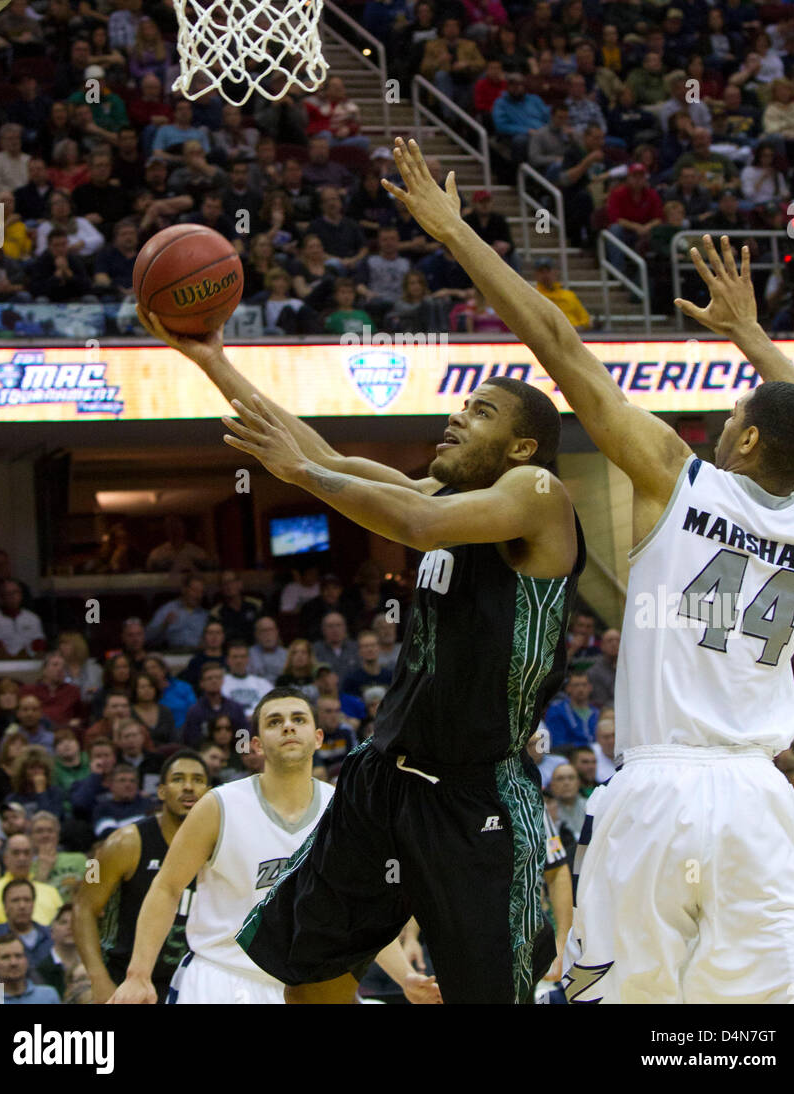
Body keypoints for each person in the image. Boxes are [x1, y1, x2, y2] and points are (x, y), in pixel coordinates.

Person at [387, 138, 794, 1003]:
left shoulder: (674, 474)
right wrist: (751, 340)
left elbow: (556, 341)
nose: (724, 417)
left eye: (733, 412)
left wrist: (456, 234)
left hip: (656, 790)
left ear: (739, 440)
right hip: (758, 800)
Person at [136, 290, 584, 1006]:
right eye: (459, 406)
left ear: (522, 445)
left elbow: (407, 519)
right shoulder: (437, 488)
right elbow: (320, 454)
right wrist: (213, 361)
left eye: (480, 412)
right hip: (383, 779)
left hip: (474, 794)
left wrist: (306, 475)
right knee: (304, 963)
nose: (456, 417)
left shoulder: (535, 492)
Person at [109, 691, 438, 1006]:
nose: (288, 726)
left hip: (302, 988)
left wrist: (406, 977)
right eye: (274, 721)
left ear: (319, 737)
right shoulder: (218, 805)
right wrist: (138, 974)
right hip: (218, 977)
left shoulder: (344, 810)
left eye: (298, 718)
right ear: (257, 744)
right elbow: (166, 888)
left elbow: (358, 914)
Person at [73, 751, 210, 1002]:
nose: (189, 787)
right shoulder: (123, 843)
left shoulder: (220, 846)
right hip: (126, 980)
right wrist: (98, 978)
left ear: (210, 792)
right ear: (161, 791)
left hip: (194, 983)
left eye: (198, 780)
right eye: (178, 779)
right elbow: (83, 907)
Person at [0, 832, 63, 927]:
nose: (22, 858)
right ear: (5, 858)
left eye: (26, 853)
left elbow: (60, 925)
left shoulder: (51, 892)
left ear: (32, 858)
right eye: (16, 853)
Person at [0, 877, 53, 976]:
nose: (22, 906)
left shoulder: (52, 936)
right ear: (5, 906)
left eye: (27, 900)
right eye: (15, 900)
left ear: (33, 904)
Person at [0, 933, 61, 1005]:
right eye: (5, 957)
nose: (13, 963)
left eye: (18, 956)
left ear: (26, 960)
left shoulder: (48, 996)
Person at [181, 663, 247, 747]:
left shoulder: (235, 708)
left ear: (223, 681)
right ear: (202, 683)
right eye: (209, 678)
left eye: (218, 677)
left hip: (233, 754)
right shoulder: (195, 711)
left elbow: (244, 736)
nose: (214, 681)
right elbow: (191, 740)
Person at [544, 671, 599, 750]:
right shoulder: (556, 711)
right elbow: (558, 743)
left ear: (590, 687)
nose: (581, 689)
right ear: (568, 688)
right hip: (568, 755)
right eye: (576, 685)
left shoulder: (597, 712)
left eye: (584, 685)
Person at [221, 640, 273, 720]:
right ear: (228, 660)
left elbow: (272, 708)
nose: (239, 661)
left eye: (242, 656)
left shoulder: (263, 683)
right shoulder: (220, 683)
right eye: (235, 657)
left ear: (248, 659)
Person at [586, 628, 620, 709]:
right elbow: (601, 702)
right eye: (610, 641)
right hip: (606, 713)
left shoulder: (630, 669)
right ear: (602, 646)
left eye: (618, 640)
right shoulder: (594, 672)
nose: (614, 644)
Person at [248, 617, 288, 682]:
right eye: (263, 631)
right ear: (256, 634)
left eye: (270, 630)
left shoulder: (287, 655)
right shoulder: (248, 655)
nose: (267, 634)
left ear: (277, 632)